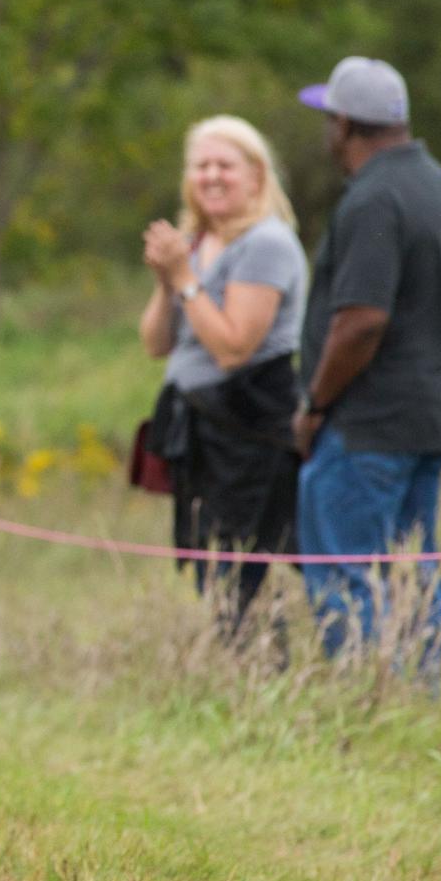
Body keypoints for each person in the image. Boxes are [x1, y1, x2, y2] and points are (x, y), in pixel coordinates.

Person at [290, 57, 441, 660]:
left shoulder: (375, 199)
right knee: (411, 574)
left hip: (368, 429)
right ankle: (418, 697)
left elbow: (362, 321)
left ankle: (368, 704)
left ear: (343, 126)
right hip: (426, 421)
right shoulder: (437, 185)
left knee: (345, 576)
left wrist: (315, 405)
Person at [137, 116, 305, 647]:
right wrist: (168, 282)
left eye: (224, 166)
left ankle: (263, 664)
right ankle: (241, 662)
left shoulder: (266, 243)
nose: (211, 176)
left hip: (250, 430)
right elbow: (156, 343)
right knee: (213, 563)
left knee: (245, 560)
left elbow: (233, 347)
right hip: (199, 430)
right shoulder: (196, 241)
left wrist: (185, 279)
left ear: (256, 175)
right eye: (201, 165)